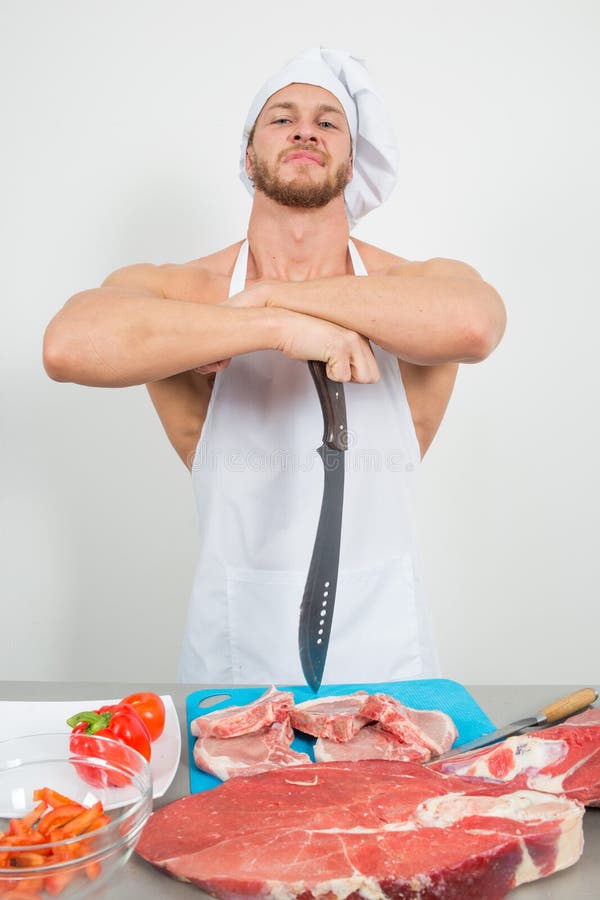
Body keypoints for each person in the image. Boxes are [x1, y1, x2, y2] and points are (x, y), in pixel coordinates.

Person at [43, 48, 506, 685]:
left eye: (327, 122)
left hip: (390, 668)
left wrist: (269, 295)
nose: (305, 131)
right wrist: (276, 327)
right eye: (282, 118)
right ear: (248, 155)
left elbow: (475, 325)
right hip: (236, 668)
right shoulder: (188, 292)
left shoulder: (412, 289)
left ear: (352, 162)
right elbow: (68, 345)